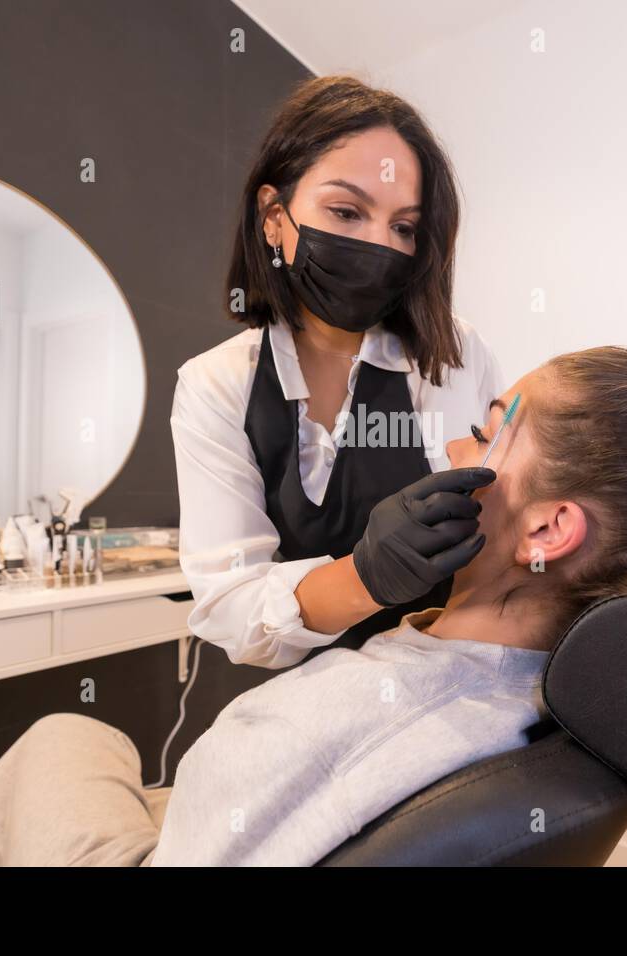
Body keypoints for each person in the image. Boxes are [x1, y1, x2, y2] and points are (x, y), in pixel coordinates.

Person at [0, 345, 627, 867]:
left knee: (57, 737)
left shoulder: (370, 721)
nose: (451, 451)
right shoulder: (516, 696)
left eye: (482, 433)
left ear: (548, 532)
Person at [172, 75, 504, 672]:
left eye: (404, 227)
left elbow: (496, 523)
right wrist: (365, 576)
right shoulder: (216, 387)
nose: (380, 244)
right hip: (303, 705)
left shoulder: (454, 354)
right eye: (347, 212)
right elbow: (236, 614)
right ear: (274, 217)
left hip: (444, 680)